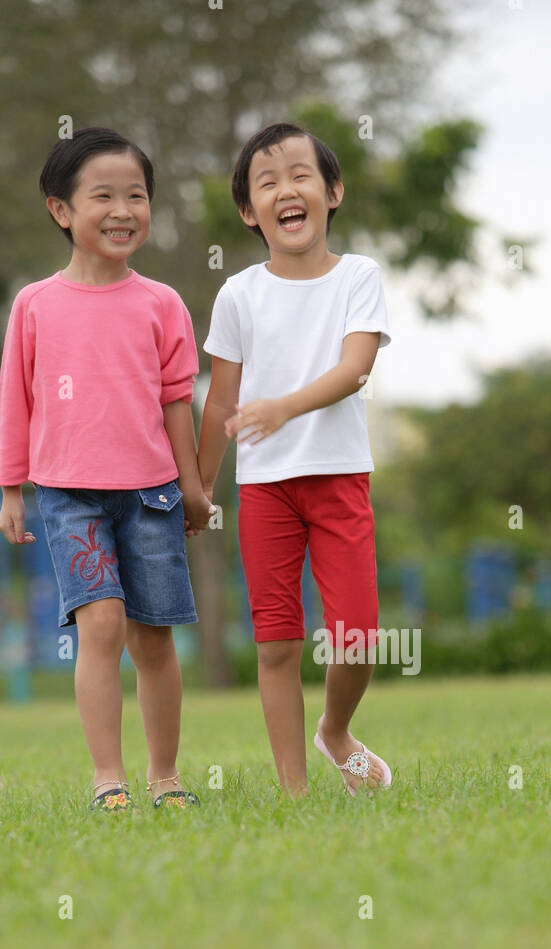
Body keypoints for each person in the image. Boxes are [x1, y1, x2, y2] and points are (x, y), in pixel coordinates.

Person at [0, 126, 214, 810]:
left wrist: (194, 488)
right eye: (104, 197)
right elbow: (15, 398)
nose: (124, 211)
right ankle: (107, 779)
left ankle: (166, 778)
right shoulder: (35, 303)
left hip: (152, 496)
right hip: (69, 495)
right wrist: (10, 489)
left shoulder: (162, 303)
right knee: (101, 625)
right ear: (61, 209)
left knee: (153, 637)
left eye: (137, 196)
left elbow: (177, 404)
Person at [198, 122, 393, 798]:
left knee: (357, 638)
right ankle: (294, 792)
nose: (287, 190)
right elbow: (220, 400)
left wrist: (283, 407)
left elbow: (356, 368)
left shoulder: (359, 276)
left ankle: (335, 732)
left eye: (301, 175)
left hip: (340, 478)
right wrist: (200, 488)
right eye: (268, 182)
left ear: (332, 192)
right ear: (249, 211)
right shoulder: (238, 295)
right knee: (277, 643)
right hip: (264, 490)